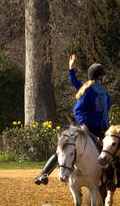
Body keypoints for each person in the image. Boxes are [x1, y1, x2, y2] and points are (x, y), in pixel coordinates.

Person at [34, 55, 110, 184]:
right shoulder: (87, 91)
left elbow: (75, 82)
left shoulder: (103, 92)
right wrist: (83, 124)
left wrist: (106, 127)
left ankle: (111, 179)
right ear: (100, 77)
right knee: (62, 147)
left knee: (112, 148)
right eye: (104, 76)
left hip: (101, 127)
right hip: (85, 127)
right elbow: (77, 111)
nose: (105, 78)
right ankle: (43, 174)